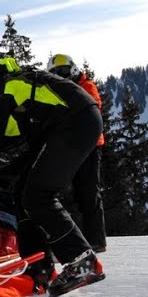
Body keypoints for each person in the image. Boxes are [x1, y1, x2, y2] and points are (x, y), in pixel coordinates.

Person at [0, 57, 104, 296]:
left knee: (38, 195)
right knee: (22, 194)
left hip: (74, 122)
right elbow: (31, 137)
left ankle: (82, 261)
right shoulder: (13, 81)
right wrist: (7, 173)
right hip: (74, 120)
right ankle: (38, 265)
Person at [47, 53, 107, 253]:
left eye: (63, 72)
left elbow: (92, 106)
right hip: (72, 146)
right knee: (71, 192)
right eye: (56, 74)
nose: (61, 76)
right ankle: (74, 238)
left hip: (89, 146)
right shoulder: (63, 89)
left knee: (88, 191)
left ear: (72, 69)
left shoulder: (85, 86)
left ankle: (96, 240)